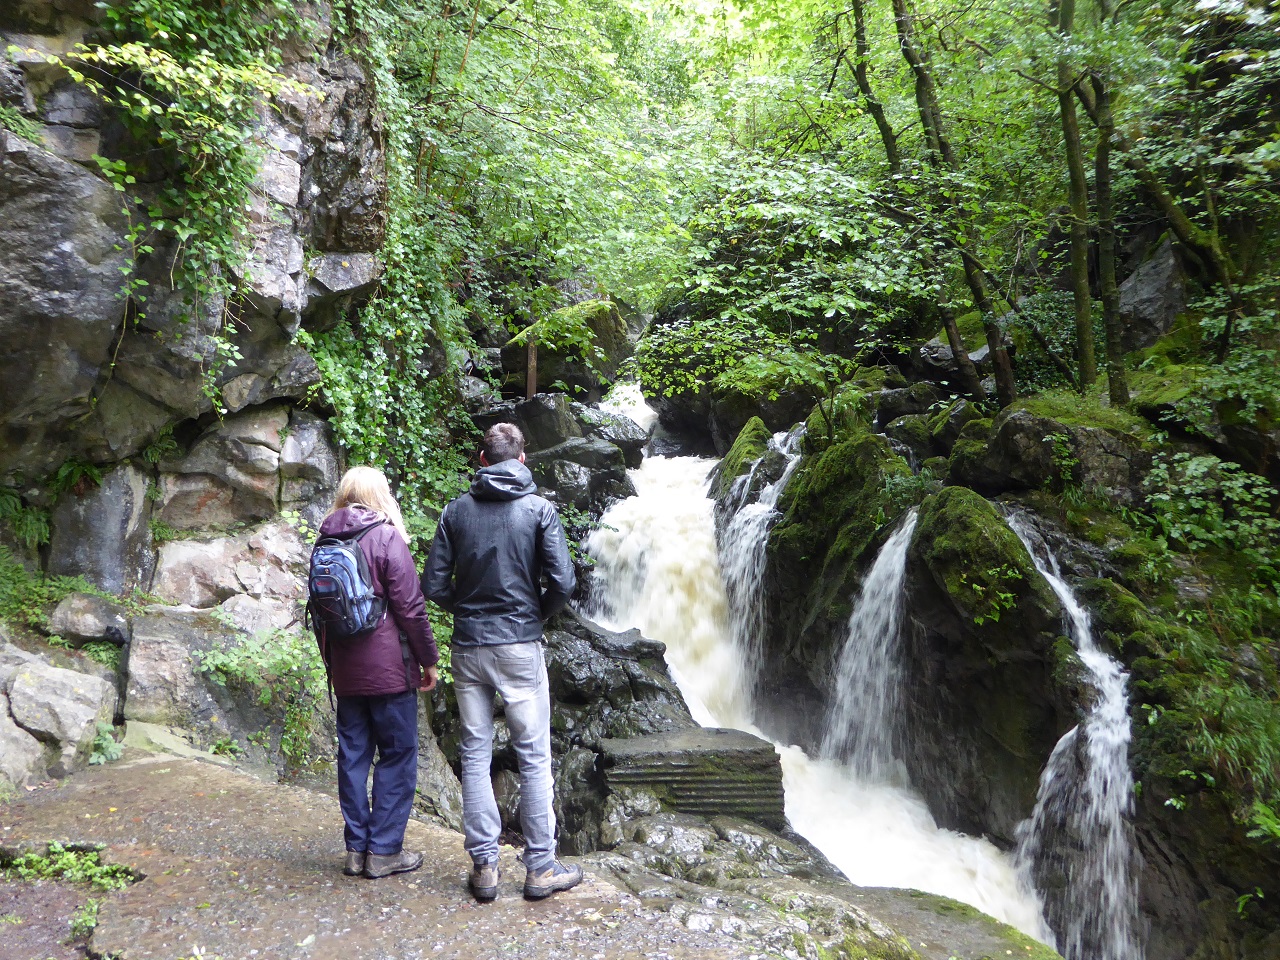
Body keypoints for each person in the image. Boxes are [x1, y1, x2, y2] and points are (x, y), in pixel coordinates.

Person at [422, 423, 579, 902]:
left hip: (469, 647)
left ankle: (485, 868)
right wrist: (535, 615)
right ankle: (539, 868)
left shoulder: (455, 512)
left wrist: (467, 613)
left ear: (483, 460)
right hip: (519, 645)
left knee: (474, 752)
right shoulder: (539, 511)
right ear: (523, 459)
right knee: (533, 756)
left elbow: (433, 586)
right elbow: (564, 582)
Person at [316, 466, 439, 880]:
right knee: (397, 755)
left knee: (352, 757)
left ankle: (355, 851)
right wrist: (429, 659)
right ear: (380, 495)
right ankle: (384, 851)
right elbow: (411, 608)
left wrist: (332, 664)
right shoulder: (386, 536)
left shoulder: (325, 540)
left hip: (347, 673)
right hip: (389, 673)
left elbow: (320, 615)